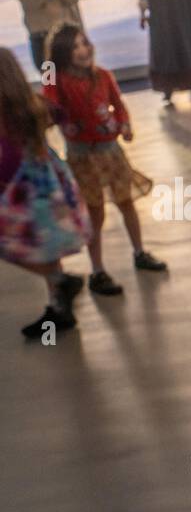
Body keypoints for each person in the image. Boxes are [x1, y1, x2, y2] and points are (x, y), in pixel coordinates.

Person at [43, 24, 164, 297]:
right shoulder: (57, 80)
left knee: (126, 203)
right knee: (94, 212)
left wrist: (125, 125)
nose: (83, 50)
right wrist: (49, 68)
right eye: (74, 46)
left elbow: (119, 106)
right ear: (62, 53)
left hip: (111, 152)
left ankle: (139, 252)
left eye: (85, 43)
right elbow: (47, 99)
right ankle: (97, 269)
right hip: (82, 157)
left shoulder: (104, 76)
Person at [0, 47, 89, 339]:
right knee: (47, 244)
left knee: (9, 244)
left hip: (25, 191)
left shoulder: (4, 114)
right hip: (49, 185)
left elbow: (10, 159)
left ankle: (58, 281)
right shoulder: (32, 103)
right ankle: (58, 306)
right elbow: (60, 113)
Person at [8, 0, 84, 69]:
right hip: (42, 37)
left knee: (78, 75)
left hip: (69, 34)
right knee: (50, 80)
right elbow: (31, 2)